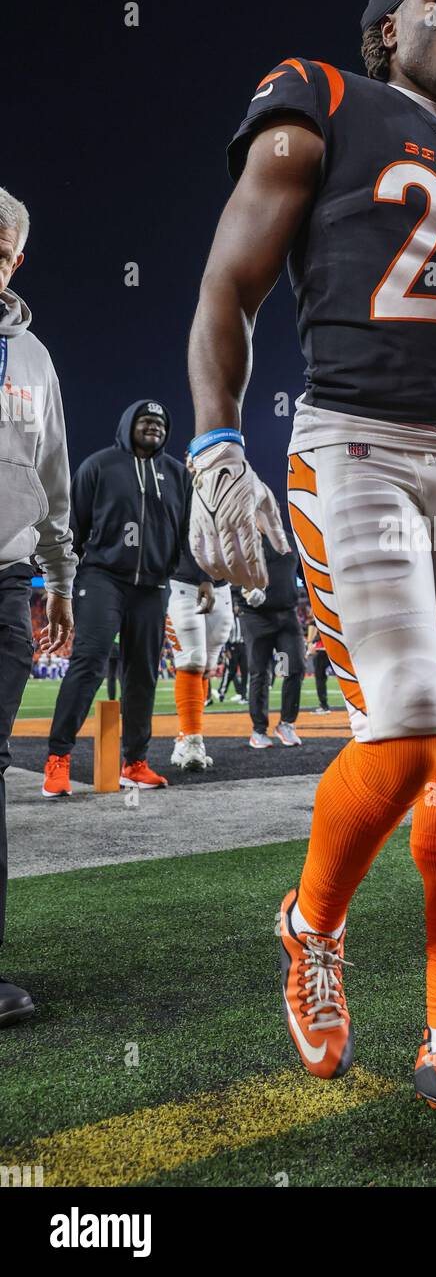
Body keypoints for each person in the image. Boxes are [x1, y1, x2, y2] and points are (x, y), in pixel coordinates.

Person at [186, 0, 436, 1150]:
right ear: (382, 31)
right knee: (403, 727)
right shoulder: (319, 102)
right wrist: (212, 445)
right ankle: (311, 925)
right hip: (356, 440)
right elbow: (226, 285)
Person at [0, 186, 76, 1025]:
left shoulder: (34, 360)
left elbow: (51, 481)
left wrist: (58, 576)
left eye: (0, 247)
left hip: (5, 581)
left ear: (15, 260)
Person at [42, 401, 188, 796]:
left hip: (154, 585)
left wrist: (201, 579)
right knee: (88, 664)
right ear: (128, 425)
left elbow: (188, 532)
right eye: (145, 420)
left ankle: (135, 762)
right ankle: (58, 759)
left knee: (142, 674)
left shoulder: (177, 474)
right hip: (103, 577)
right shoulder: (99, 466)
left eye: (159, 422)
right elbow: (73, 526)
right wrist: (62, 581)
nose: (153, 427)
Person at [166, 527, 233, 771]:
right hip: (182, 583)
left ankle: (187, 735)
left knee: (206, 666)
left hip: (223, 586)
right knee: (192, 660)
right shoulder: (182, 489)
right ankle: (194, 741)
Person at [239, 531, 305, 749]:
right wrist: (244, 594)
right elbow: (230, 575)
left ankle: (286, 723)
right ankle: (258, 730)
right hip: (257, 618)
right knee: (260, 673)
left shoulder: (290, 540)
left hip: (286, 618)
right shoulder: (244, 540)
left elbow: (304, 573)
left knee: (291, 667)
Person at [306, 620, 330, 712]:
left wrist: (311, 642)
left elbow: (313, 624)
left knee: (320, 679)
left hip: (321, 648)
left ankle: (324, 706)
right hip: (335, 647)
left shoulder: (317, 617)